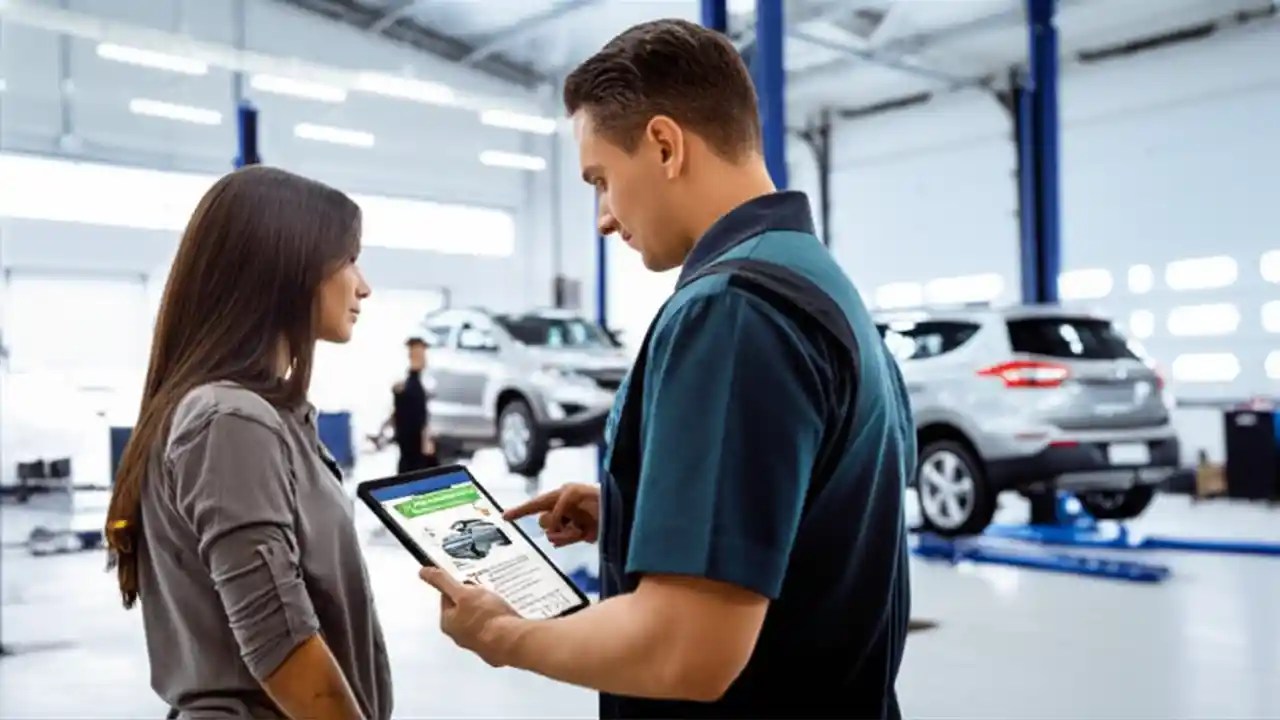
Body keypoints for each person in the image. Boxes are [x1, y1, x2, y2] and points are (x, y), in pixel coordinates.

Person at [417, 18, 915, 720]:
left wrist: (505, 634)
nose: (603, 217)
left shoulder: (733, 311)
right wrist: (638, 509)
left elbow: (686, 648)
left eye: (601, 180)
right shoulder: (817, 281)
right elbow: (819, 517)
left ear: (663, 145)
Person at [105, 165, 392, 719]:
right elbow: (283, 647)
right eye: (349, 258)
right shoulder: (230, 420)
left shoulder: (267, 416)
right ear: (289, 268)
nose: (363, 285)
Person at [372, 337, 437, 473]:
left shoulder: (421, 381)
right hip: (409, 440)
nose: (422, 358)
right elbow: (399, 412)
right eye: (418, 353)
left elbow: (422, 414)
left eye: (422, 354)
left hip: (417, 440)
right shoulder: (405, 384)